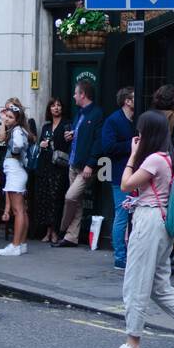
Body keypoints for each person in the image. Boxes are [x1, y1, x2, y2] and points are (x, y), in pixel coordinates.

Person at [105, 110, 174, 348]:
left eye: (140, 131)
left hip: (149, 222)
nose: (137, 135)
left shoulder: (153, 160)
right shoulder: (168, 157)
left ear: (147, 132)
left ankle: (133, 343)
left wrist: (131, 155)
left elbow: (126, 183)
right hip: (160, 223)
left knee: (135, 283)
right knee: (160, 286)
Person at [58, 79, 104, 246]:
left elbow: (98, 141)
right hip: (73, 162)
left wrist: (91, 164)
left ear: (83, 95)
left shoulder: (97, 114)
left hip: (86, 166)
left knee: (70, 197)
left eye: (76, 93)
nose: (74, 96)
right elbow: (81, 136)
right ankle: (71, 237)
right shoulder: (79, 114)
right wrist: (71, 136)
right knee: (76, 201)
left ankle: (62, 229)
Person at [100, 87, 136, 269]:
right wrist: (130, 145)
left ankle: (131, 254)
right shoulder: (113, 121)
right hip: (120, 175)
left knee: (134, 216)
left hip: (136, 174)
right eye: (134, 98)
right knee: (122, 215)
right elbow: (107, 147)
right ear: (127, 101)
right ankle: (120, 258)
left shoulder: (135, 120)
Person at [0, 102, 34, 256]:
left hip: (15, 171)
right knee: (22, 211)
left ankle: (16, 245)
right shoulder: (21, 129)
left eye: (11, 117)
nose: (8, 119)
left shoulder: (17, 131)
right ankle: (21, 243)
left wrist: (14, 149)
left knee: (17, 211)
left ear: (17, 120)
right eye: (8, 116)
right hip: (17, 172)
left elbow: (17, 146)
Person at [34, 98, 71, 244]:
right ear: (49, 109)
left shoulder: (67, 124)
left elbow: (69, 143)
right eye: (53, 106)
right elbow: (41, 142)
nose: (56, 108)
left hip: (59, 165)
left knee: (56, 198)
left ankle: (55, 231)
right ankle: (47, 231)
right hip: (45, 165)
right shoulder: (46, 126)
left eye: (59, 105)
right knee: (46, 199)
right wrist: (42, 144)